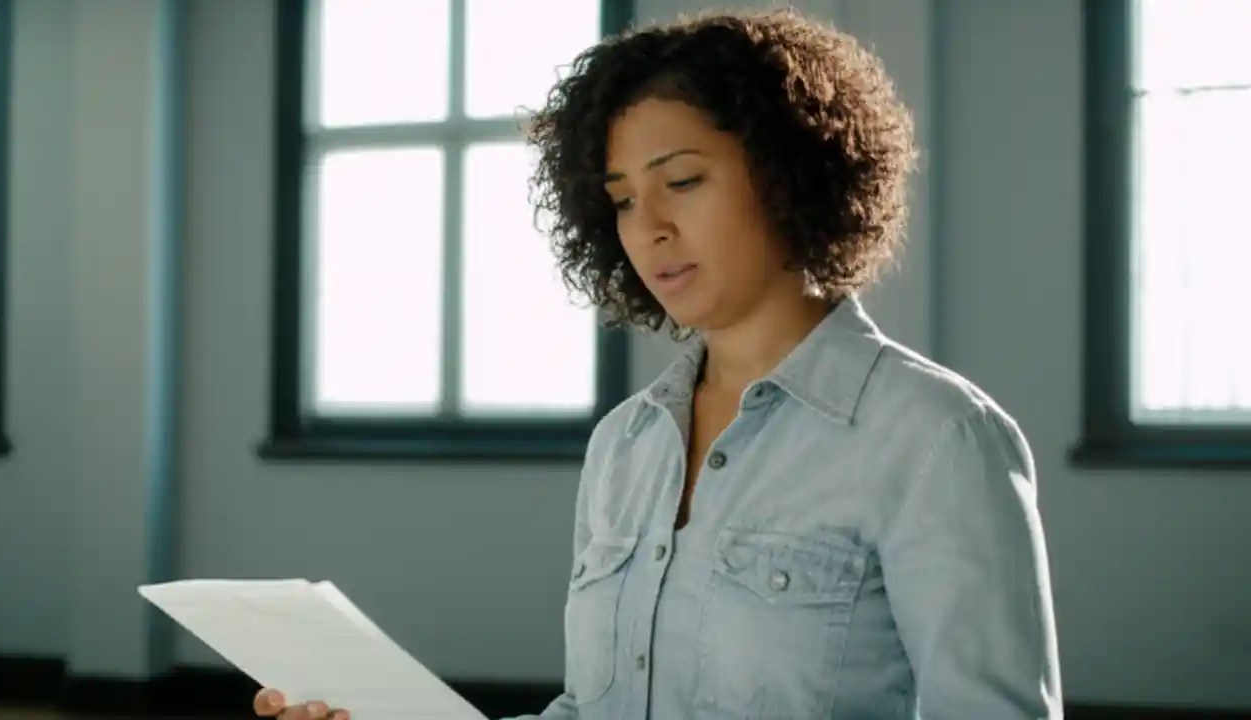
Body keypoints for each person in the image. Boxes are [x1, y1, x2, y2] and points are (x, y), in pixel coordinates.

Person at [254, 8, 1062, 720]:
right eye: (624, 199)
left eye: (682, 180)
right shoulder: (626, 445)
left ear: (789, 174)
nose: (650, 228)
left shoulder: (936, 439)